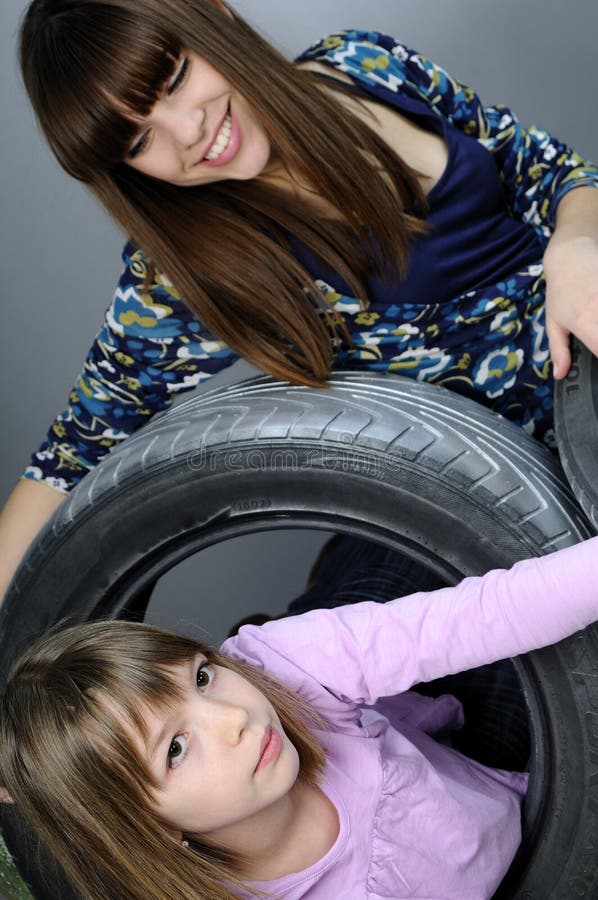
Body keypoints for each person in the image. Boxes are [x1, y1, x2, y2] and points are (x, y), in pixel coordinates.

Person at [1, 0, 598, 603]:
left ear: (217, 17)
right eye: (138, 139)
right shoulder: (186, 272)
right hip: (488, 511)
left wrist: (575, 242)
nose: (188, 132)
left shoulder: (365, 64)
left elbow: (549, 171)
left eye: (176, 77)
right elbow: (70, 456)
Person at [2, 535, 598, 899]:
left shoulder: (272, 668)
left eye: (202, 678)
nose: (230, 718)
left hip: (459, 747)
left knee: (395, 571)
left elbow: (479, 614)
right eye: (175, 749)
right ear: (152, 826)